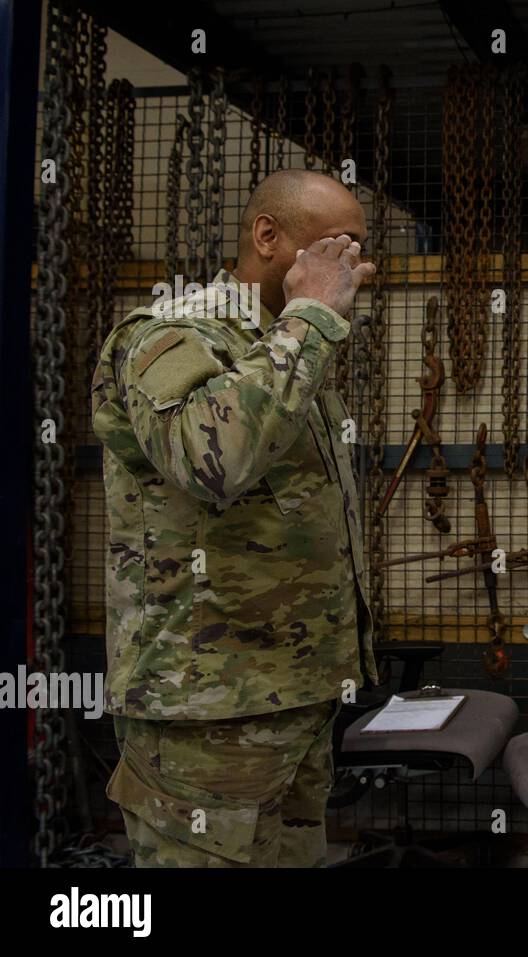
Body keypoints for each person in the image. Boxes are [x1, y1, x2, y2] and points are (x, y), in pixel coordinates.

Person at [91, 169, 378, 867]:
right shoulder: (167, 335)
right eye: (335, 247)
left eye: (359, 250)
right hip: (206, 718)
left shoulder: (287, 350)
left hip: (295, 701)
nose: (353, 269)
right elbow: (208, 458)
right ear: (267, 236)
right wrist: (310, 318)